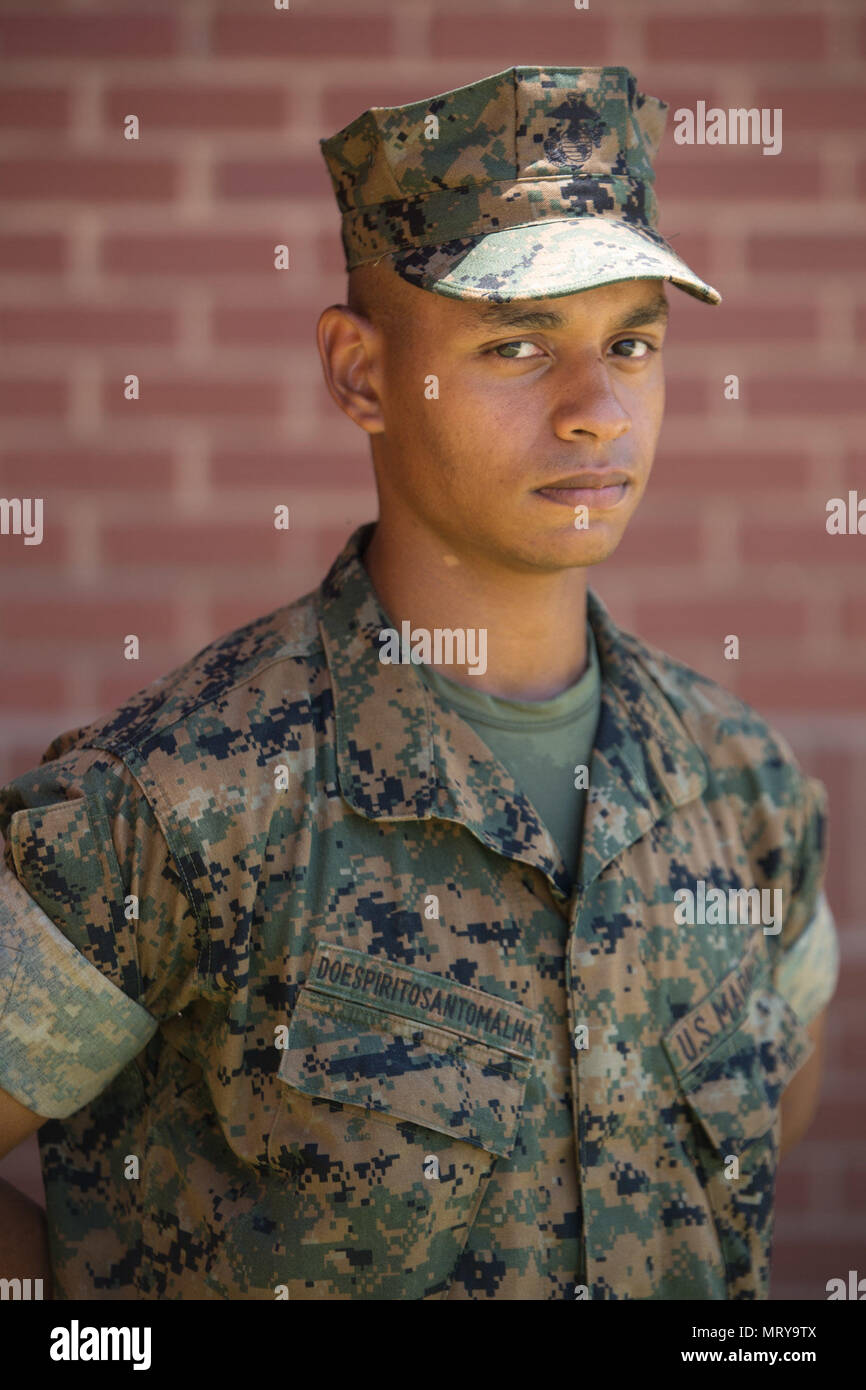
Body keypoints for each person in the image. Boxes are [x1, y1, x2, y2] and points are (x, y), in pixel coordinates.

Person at [0, 65, 838, 1301]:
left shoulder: (743, 792)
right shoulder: (177, 802)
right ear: (360, 374)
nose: (596, 411)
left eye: (631, 343)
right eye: (515, 344)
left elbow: (754, 1171)